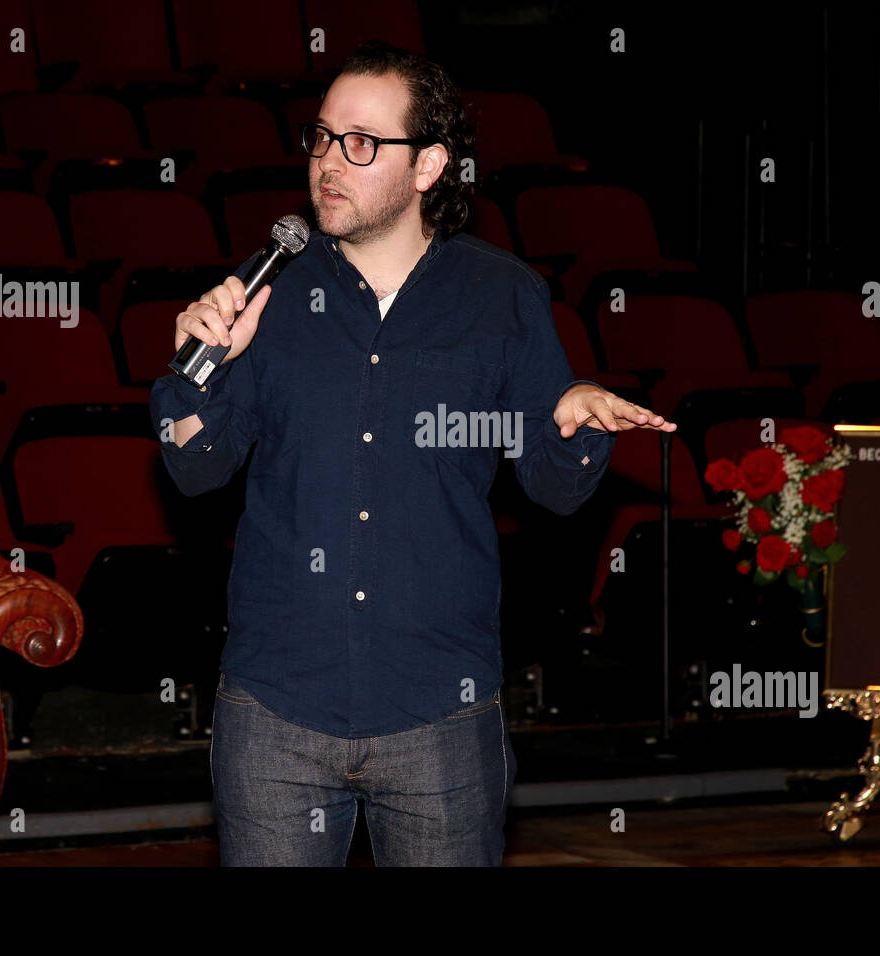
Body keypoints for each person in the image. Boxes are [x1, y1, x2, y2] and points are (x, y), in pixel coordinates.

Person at [149, 40, 677, 866]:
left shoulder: (501, 297)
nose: (330, 161)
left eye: (362, 142)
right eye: (322, 137)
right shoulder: (271, 295)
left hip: (439, 710)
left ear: (429, 164)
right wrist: (197, 371)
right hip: (276, 711)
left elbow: (555, 489)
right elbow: (194, 466)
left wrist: (574, 425)